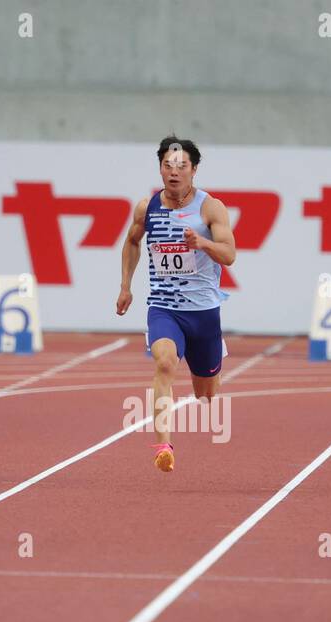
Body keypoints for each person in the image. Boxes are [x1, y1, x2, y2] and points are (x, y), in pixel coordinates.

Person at [116, 136, 236, 472]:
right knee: (165, 363)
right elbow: (131, 242)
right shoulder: (148, 208)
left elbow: (230, 254)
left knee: (206, 395)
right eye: (167, 165)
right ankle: (163, 445)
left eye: (181, 166)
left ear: (194, 170)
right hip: (164, 308)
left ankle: (213, 361)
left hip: (204, 313)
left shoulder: (210, 208)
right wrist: (125, 286)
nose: (173, 172)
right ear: (160, 169)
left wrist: (202, 243)